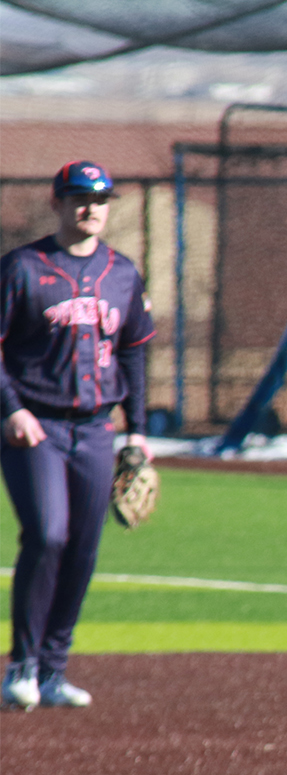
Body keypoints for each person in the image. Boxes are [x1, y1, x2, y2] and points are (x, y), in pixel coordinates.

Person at [0, 161, 154, 710]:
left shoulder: (123, 273)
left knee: (84, 549)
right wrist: (11, 409)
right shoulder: (22, 267)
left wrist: (137, 432)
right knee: (48, 534)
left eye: (100, 199)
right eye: (79, 198)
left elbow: (135, 352)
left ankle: (52, 672)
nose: (90, 208)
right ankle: (20, 663)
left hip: (94, 429)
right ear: (57, 203)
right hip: (33, 427)